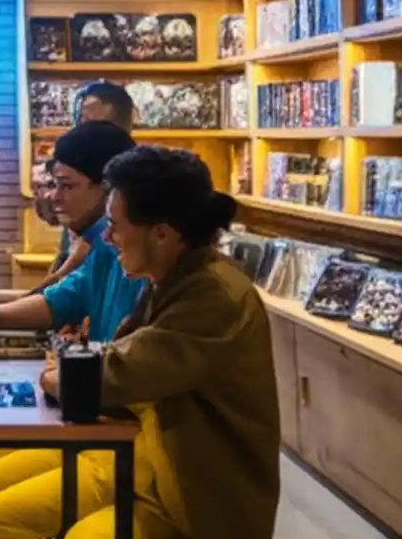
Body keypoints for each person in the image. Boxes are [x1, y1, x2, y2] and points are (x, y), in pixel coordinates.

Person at [67, 146, 280, 539]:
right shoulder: (173, 277)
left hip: (199, 509)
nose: (108, 237)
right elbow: (121, 362)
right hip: (151, 474)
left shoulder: (213, 294)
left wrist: (61, 375)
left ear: (162, 233)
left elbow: (118, 374)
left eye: (115, 225)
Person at [0, 121, 149, 526]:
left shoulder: (153, 269)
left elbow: (119, 380)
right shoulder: (108, 248)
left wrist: (56, 378)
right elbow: (59, 299)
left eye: (66, 185)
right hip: (99, 424)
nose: (54, 197)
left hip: (128, 444)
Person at [37, 82, 135, 291]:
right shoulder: (83, 208)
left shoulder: (122, 239)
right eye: (81, 122)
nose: (84, 131)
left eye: (91, 123)